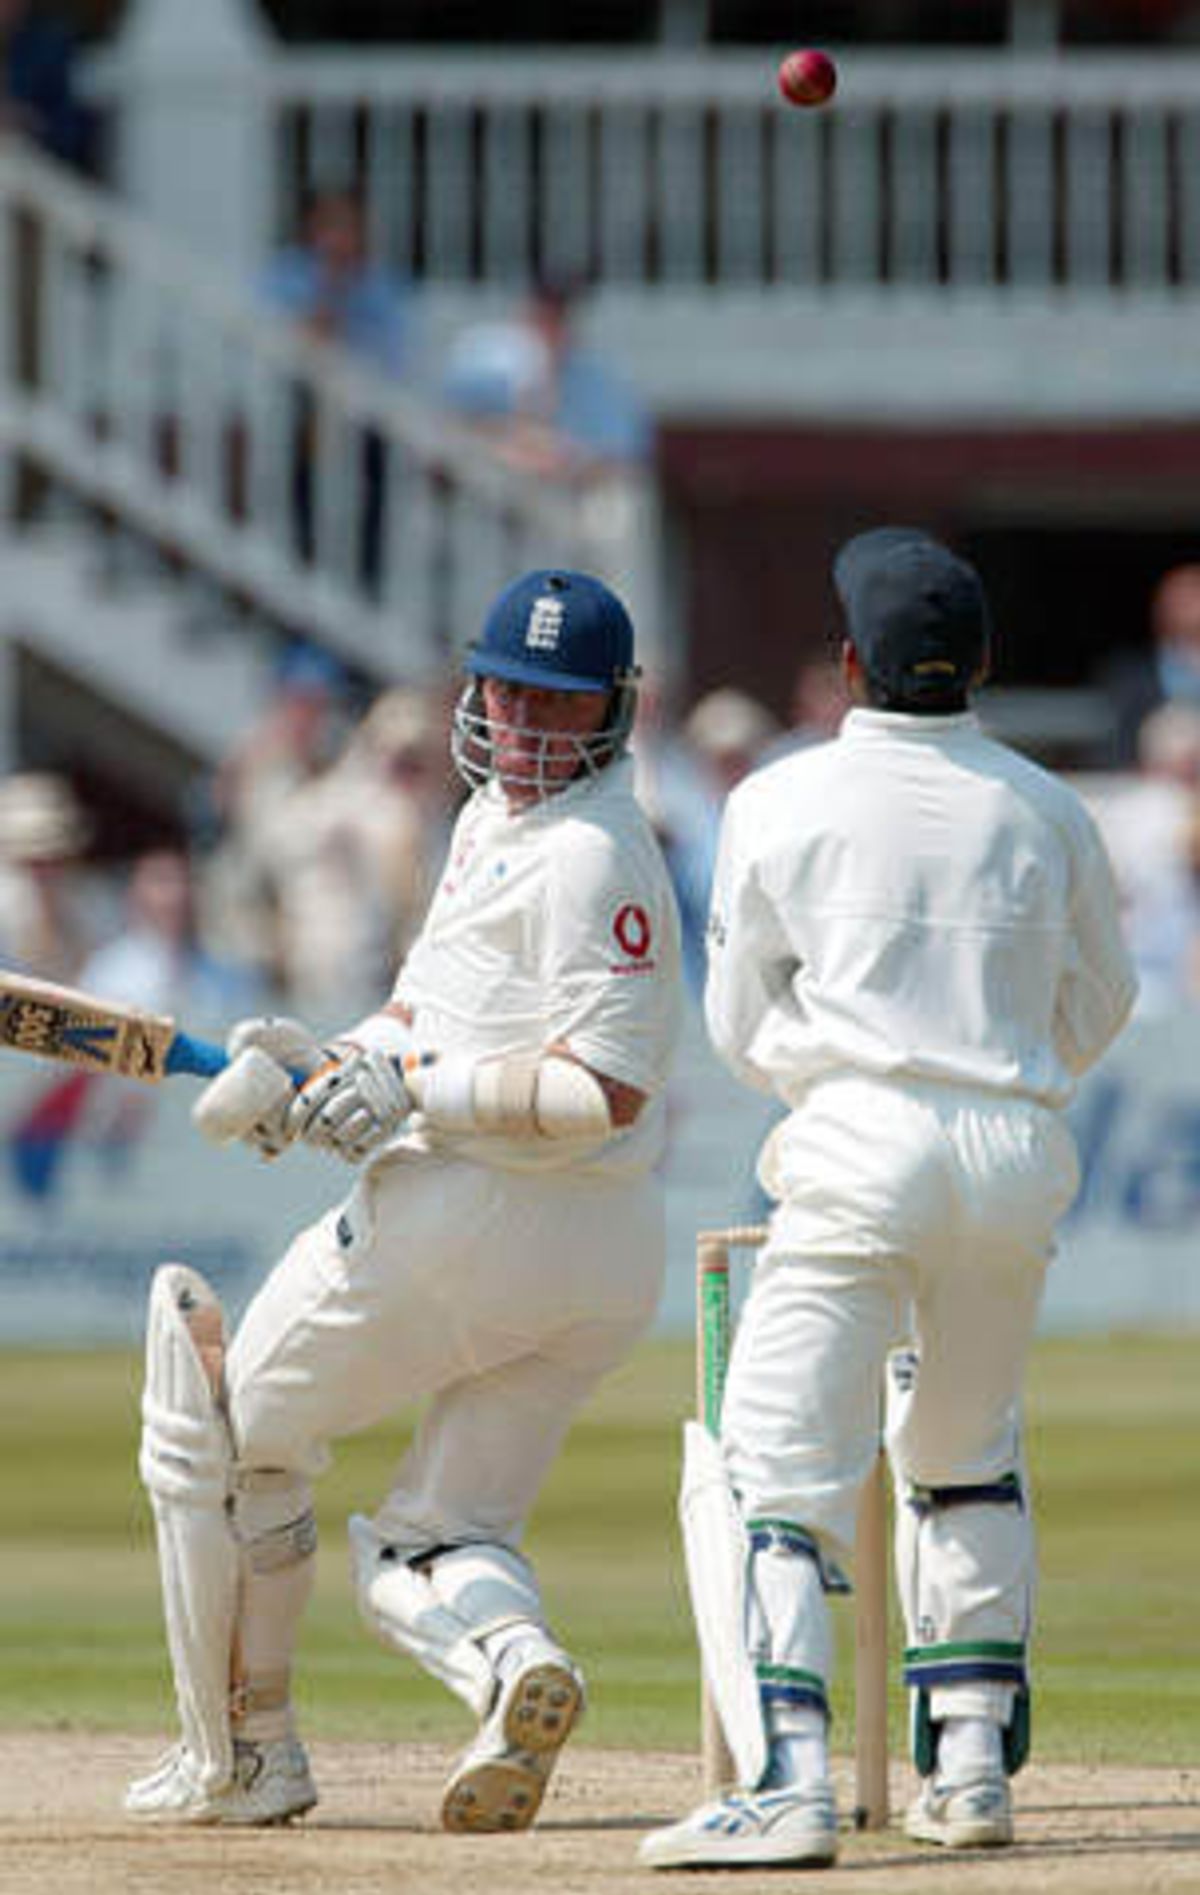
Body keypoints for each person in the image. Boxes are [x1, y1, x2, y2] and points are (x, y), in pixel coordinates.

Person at [124, 568, 683, 1832]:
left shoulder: (600, 855)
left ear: (616, 708)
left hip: (475, 1220)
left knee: (219, 1439)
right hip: (595, 1264)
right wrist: (326, 1061)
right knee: (435, 1534)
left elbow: (606, 1091)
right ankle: (514, 1666)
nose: (530, 728)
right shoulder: (496, 818)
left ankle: (245, 1752)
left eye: (561, 705)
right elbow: (425, 1013)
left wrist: (407, 1084)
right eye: (512, 694)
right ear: (476, 688)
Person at [638, 528, 1136, 1870]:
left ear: (848, 662)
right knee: (968, 1449)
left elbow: (743, 1022)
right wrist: (1001, 1077)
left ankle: (790, 1779)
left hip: (857, 1140)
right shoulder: (1047, 802)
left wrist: (853, 1074)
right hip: (1015, 1145)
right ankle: (970, 1765)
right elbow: (1103, 1002)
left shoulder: (778, 800)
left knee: (773, 1472)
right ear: (982, 661)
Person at [259, 190, 410, 590]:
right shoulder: (290, 273)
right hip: (310, 406)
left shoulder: (380, 282)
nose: (342, 236)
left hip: (366, 409)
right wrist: (331, 284)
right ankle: (302, 583)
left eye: (350, 226)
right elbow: (298, 340)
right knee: (306, 502)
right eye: (332, 225)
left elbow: (393, 355)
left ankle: (366, 586)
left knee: (369, 508)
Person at [440, 273, 653, 487]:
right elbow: (450, 429)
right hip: (494, 497)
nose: (546, 328)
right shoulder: (486, 368)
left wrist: (564, 459)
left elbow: (623, 457)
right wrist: (512, 442)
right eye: (539, 316)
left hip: (570, 502)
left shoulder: (602, 383)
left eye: (556, 318)